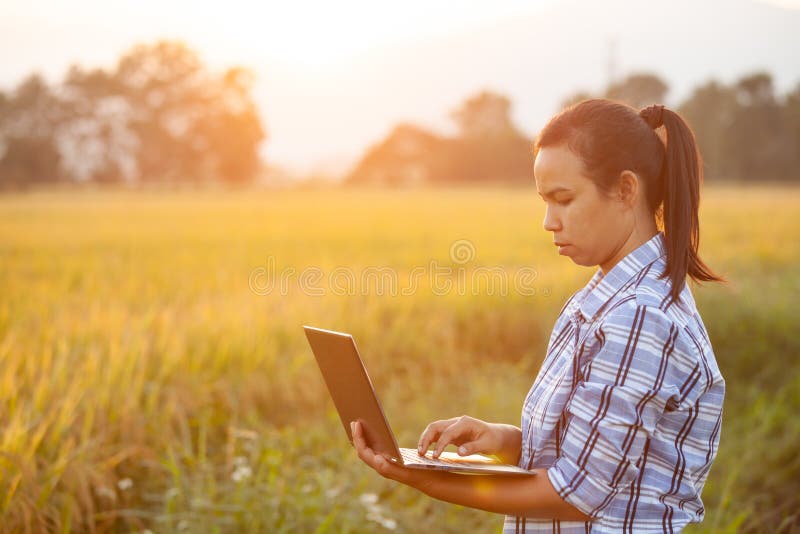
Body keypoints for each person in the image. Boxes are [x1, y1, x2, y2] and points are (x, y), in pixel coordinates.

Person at [351, 98, 726, 533]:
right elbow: (595, 452)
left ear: (626, 190)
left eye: (563, 200)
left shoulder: (639, 318)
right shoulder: (604, 301)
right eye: (544, 201)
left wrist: (422, 478)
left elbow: (577, 494)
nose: (549, 221)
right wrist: (504, 440)